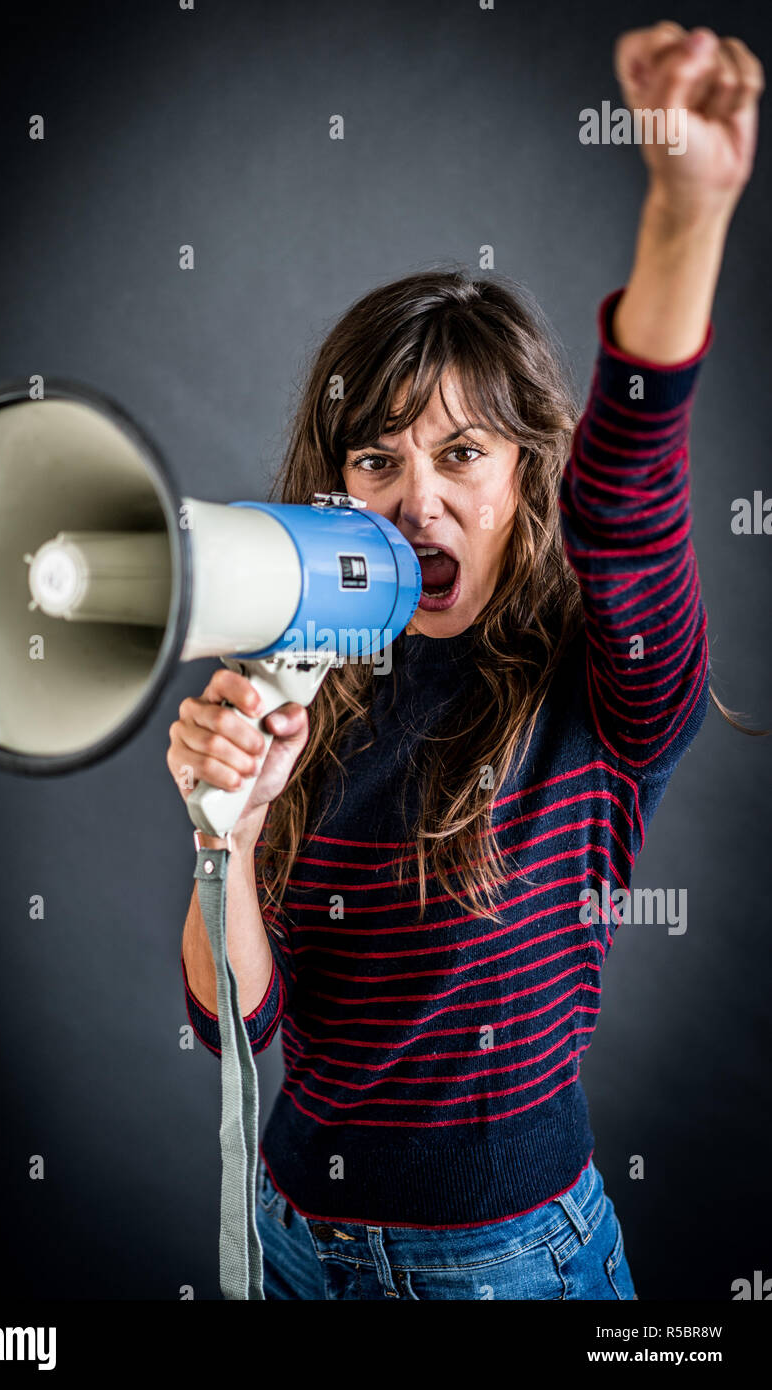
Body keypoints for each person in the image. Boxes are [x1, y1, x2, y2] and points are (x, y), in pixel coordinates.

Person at [168, 21, 764, 1300]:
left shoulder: (603, 692)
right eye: (377, 460)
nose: (415, 504)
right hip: (297, 1240)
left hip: (508, 1261)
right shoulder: (300, 676)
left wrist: (688, 205)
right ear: (335, 490)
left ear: (525, 477)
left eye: (461, 456)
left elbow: (630, 499)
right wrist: (228, 830)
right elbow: (238, 1024)